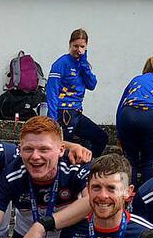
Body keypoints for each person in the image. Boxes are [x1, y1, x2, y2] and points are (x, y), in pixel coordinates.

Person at [0, 115, 90, 238]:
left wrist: (43, 225)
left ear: (61, 150)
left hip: (67, 237)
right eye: (28, 149)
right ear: (19, 150)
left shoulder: (75, 166)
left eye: (44, 149)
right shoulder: (11, 175)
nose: (35, 156)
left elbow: (91, 201)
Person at [46, 28, 107, 156]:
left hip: (77, 113)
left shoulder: (83, 64)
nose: (78, 49)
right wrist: (52, 119)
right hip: (62, 112)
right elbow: (51, 91)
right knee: (63, 148)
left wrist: (84, 62)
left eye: (82, 46)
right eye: (75, 46)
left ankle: (85, 168)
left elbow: (92, 84)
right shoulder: (61, 63)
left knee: (101, 137)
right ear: (70, 44)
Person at [115, 56, 153, 186]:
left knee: (130, 160)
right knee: (149, 161)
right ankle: (148, 196)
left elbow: (120, 107)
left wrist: (119, 133)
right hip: (150, 116)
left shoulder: (135, 80)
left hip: (128, 114)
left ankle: (128, 195)